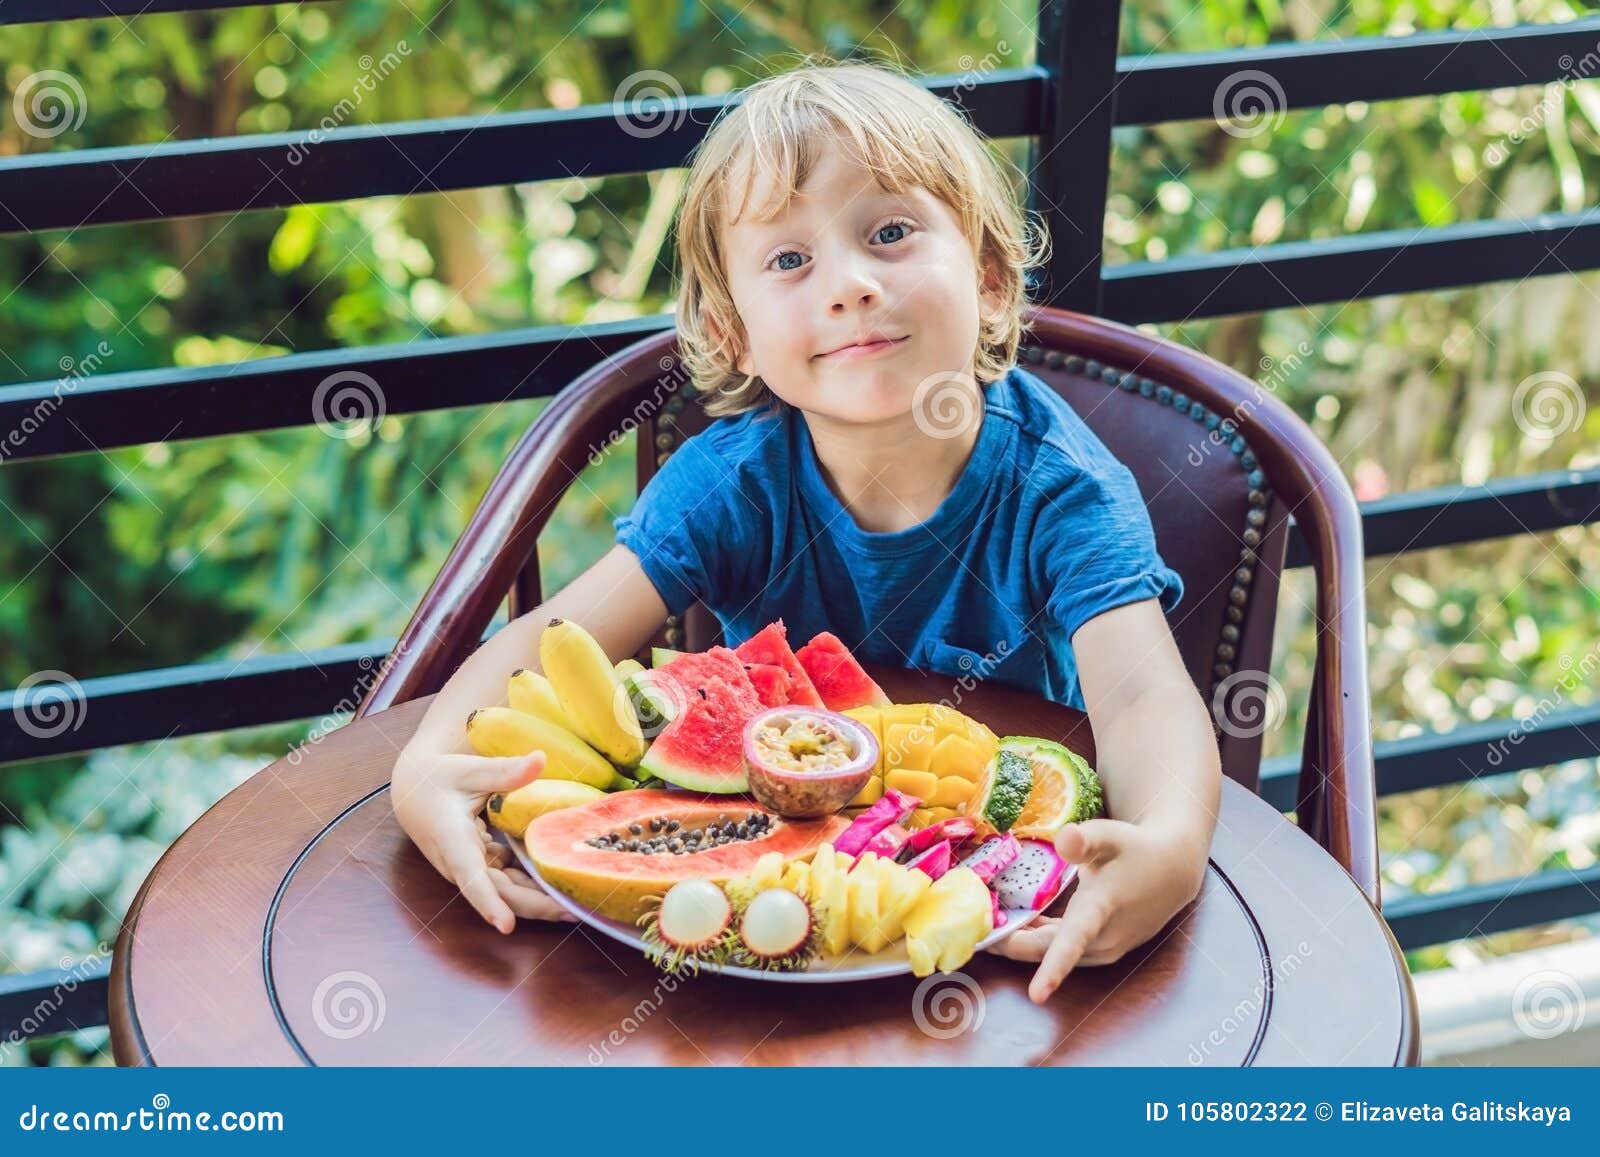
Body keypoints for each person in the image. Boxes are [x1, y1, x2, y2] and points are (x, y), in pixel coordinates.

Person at [391, 60, 1221, 1004]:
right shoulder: (729, 484)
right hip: (761, 906)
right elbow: (551, 654)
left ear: (988, 278)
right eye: (790, 261)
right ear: (733, 330)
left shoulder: (1063, 491)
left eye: (891, 233)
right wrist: (428, 766)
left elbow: (1146, 698)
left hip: (1004, 914)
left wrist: (1170, 848)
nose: (851, 285)